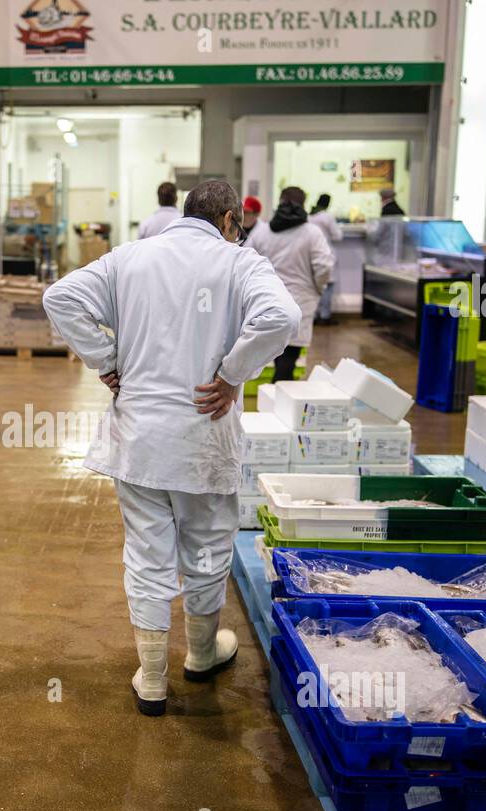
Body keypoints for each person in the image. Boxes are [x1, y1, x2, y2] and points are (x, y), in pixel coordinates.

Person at [43, 180, 300, 716]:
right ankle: (202, 656)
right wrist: (231, 375)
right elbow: (281, 318)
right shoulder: (239, 264)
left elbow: (60, 297)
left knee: (147, 552)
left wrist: (106, 359)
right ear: (230, 219)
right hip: (204, 439)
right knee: (206, 550)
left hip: (139, 439)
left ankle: (154, 679)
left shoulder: (129, 259)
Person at [260, 186, 335, 381]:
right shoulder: (312, 232)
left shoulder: (264, 231)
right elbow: (324, 266)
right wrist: (318, 288)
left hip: (269, 298)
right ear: (303, 203)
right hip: (301, 299)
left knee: (277, 350)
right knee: (290, 354)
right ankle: (280, 393)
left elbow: (247, 260)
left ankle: (278, 392)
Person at [309, 193, 343, 324]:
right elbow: (337, 236)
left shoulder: (310, 215)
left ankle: (315, 315)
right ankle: (325, 315)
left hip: (312, 254)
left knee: (316, 285)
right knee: (328, 286)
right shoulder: (327, 217)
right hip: (327, 253)